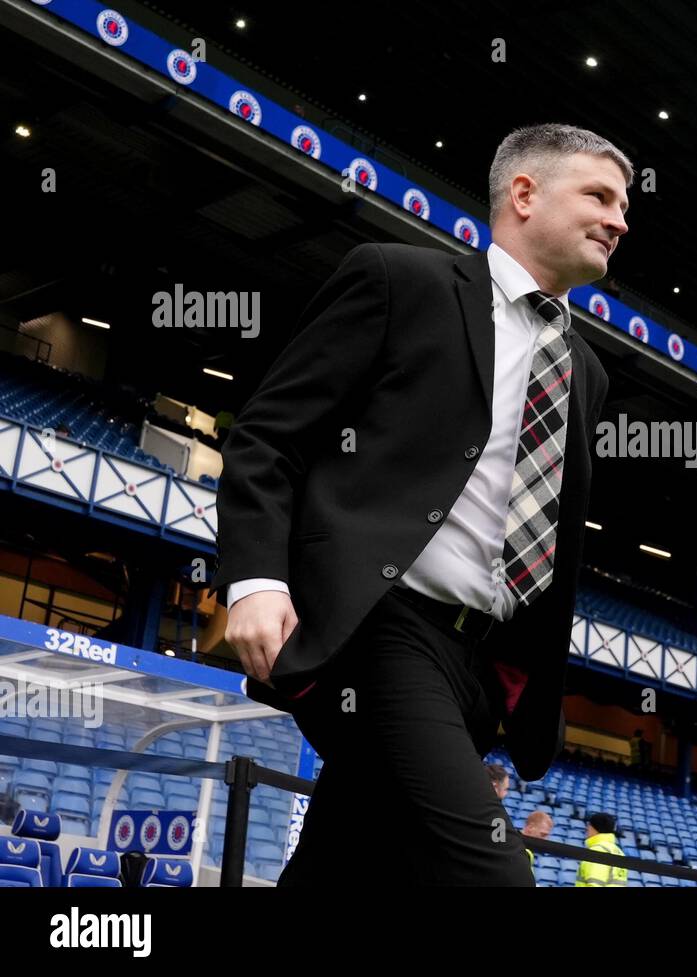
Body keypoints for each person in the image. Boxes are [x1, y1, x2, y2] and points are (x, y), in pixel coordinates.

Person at [214, 123, 629, 886]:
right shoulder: (399, 281)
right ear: (524, 194)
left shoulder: (587, 372)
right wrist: (255, 579)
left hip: (481, 667)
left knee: (345, 863)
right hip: (385, 627)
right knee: (494, 875)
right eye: (600, 196)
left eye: (626, 206)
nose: (620, 220)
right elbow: (268, 437)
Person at [576, 813, 627, 887]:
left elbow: (594, 884)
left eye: (589, 825)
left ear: (593, 828)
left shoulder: (596, 851)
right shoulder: (619, 852)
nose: (587, 828)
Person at [521, 810, 554, 876]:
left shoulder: (527, 852)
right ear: (530, 827)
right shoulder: (515, 849)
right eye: (543, 835)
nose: (546, 840)